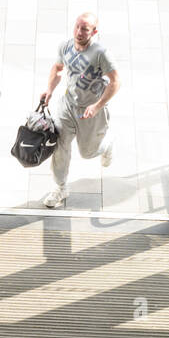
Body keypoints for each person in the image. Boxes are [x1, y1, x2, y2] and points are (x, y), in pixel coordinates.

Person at [39, 11, 119, 207]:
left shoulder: (101, 54)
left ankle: (106, 145)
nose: (79, 32)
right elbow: (57, 69)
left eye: (84, 29)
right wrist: (49, 90)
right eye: (77, 27)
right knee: (60, 146)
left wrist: (97, 105)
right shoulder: (66, 47)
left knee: (87, 152)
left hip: (91, 112)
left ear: (94, 31)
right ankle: (60, 188)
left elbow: (115, 82)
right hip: (68, 106)